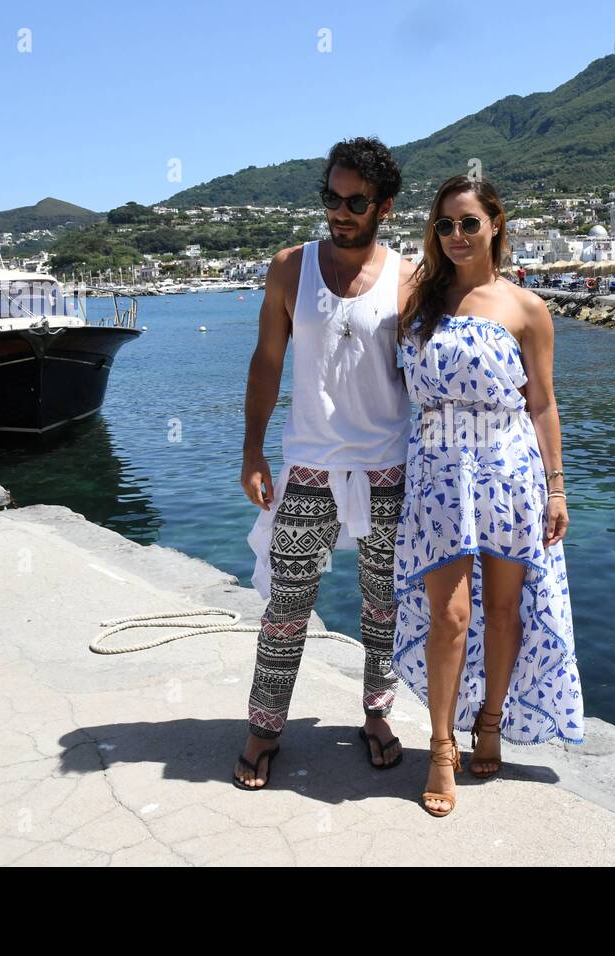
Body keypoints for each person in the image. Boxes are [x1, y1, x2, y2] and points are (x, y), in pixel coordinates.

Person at [393, 175, 584, 817]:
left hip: (509, 468)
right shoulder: (417, 300)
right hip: (438, 472)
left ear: (496, 225)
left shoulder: (526, 308)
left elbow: (543, 402)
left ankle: (493, 721)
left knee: (505, 612)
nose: (455, 235)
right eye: (445, 224)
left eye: (469, 223)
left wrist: (557, 489)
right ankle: (441, 745)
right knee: (449, 616)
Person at [237, 136, 414, 789]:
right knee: (286, 605)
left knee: (382, 608)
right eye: (331, 199)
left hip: (386, 467)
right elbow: (266, 361)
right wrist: (253, 451)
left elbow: (429, 369)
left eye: (355, 202)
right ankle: (264, 728)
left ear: (383, 206)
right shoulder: (290, 267)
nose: (340, 212)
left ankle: (377, 715)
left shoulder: (408, 278)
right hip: (308, 464)